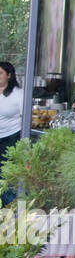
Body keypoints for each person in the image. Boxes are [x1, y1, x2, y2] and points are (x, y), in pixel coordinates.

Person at [0, 61, 21, 204]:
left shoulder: (17, 94)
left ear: (9, 75)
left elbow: (27, 116)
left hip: (11, 138)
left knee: (7, 175)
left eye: (0, 73)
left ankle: (10, 209)